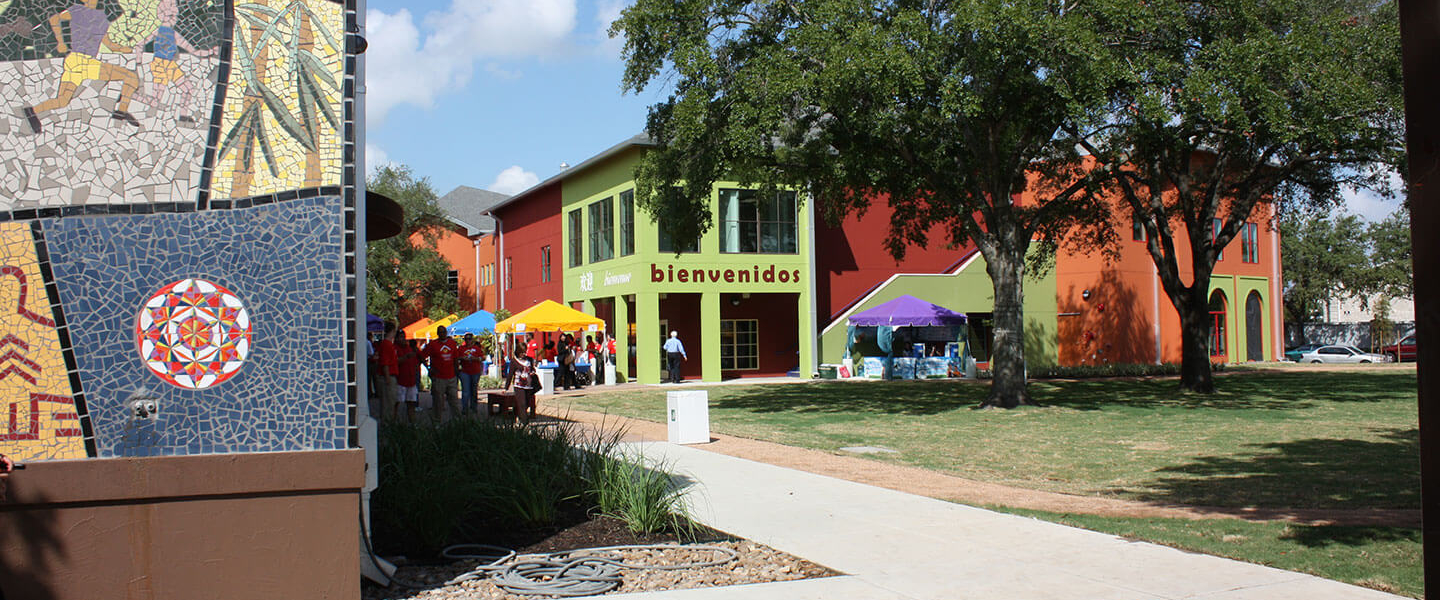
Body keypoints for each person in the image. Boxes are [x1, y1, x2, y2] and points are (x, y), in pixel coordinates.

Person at [24, 0, 145, 134]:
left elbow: (108, 43)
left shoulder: (101, 18)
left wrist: (126, 49)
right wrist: (60, 42)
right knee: (130, 77)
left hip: (75, 62)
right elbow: (54, 19)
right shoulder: (77, 10)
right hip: (83, 62)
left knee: (62, 100)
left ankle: (32, 111)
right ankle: (121, 111)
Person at [422, 325, 461, 421]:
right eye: (440, 332)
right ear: (438, 333)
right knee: (438, 402)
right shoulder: (433, 344)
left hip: (451, 376)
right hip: (439, 377)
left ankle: (458, 421)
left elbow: (455, 359)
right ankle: (437, 422)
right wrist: (429, 368)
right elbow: (422, 356)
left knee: (454, 401)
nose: (442, 334)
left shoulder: (452, 343)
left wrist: (457, 373)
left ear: (446, 333)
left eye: (444, 332)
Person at [505, 345, 537, 424]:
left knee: (527, 403)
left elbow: (532, 369)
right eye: (521, 352)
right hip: (519, 385)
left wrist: (532, 372)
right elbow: (510, 374)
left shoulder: (529, 360)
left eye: (524, 352)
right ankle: (524, 421)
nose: (523, 354)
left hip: (529, 385)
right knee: (521, 402)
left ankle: (518, 415)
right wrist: (506, 387)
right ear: (518, 352)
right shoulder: (514, 361)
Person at [376, 322, 399, 420]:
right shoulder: (386, 344)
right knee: (388, 403)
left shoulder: (388, 344)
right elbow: (385, 363)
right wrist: (388, 378)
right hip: (388, 376)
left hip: (391, 375)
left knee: (391, 402)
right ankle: (387, 424)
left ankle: (389, 422)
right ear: (392, 331)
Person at [458, 333, 485, 415]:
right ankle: (465, 408)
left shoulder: (476, 349)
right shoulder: (461, 349)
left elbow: (482, 358)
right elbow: (456, 357)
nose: (468, 341)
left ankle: (474, 407)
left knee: (474, 390)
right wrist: (462, 358)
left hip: (475, 372)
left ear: (472, 340)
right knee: (465, 391)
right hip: (464, 372)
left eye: (469, 339)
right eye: (466, 339)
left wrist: (475, 358)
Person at [396, 339, 420, 422]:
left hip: (411, 380)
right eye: (401, 337)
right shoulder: (395, 348)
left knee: (411, 403)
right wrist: (406, 357)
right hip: (400, 381)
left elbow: (416, 362)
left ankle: (412, 422)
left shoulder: (409, 349)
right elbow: (395, 361)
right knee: (397, 403)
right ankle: (393, 422)